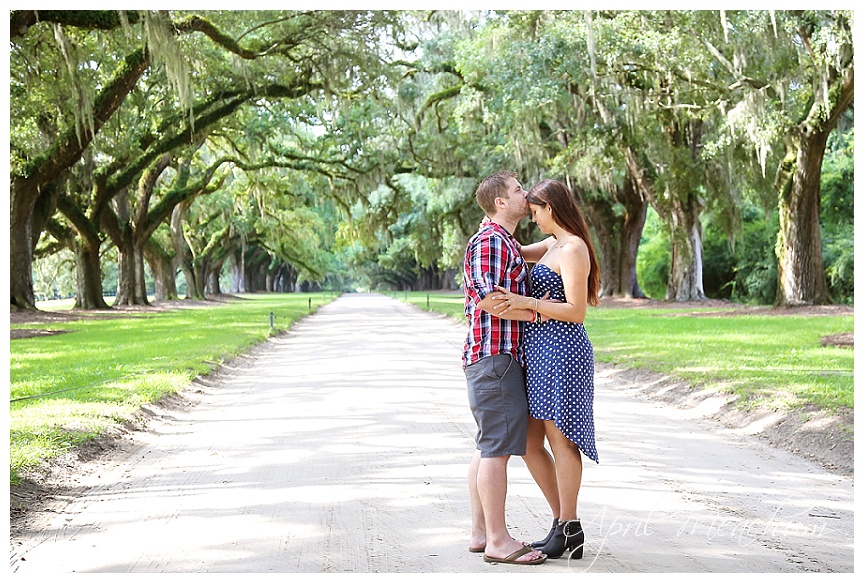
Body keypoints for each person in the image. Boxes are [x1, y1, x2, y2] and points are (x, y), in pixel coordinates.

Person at [490, 179, 601, 560]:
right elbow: (513, 248)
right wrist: (495, 216)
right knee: (529, 442)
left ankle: (568, 526)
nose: (533, 218)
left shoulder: (573, 249)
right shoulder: (553, 244)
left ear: (550, 209)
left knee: (562, 441)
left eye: (536, 211)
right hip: (539, 353)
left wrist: (527, 302)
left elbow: (576, 311)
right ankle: (561, 523)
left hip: (563, 352)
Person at [462, 170, 546, 566]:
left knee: (487, 446)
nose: (524, 194)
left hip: (497, 356)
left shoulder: (505, 240)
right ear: (500, 202)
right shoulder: (492, 241)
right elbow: (487, 298)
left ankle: (481, 532)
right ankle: (498, 539)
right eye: (518, 190)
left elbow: (519, 267)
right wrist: (537, 314)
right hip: (496, 357)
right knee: (497, 450)